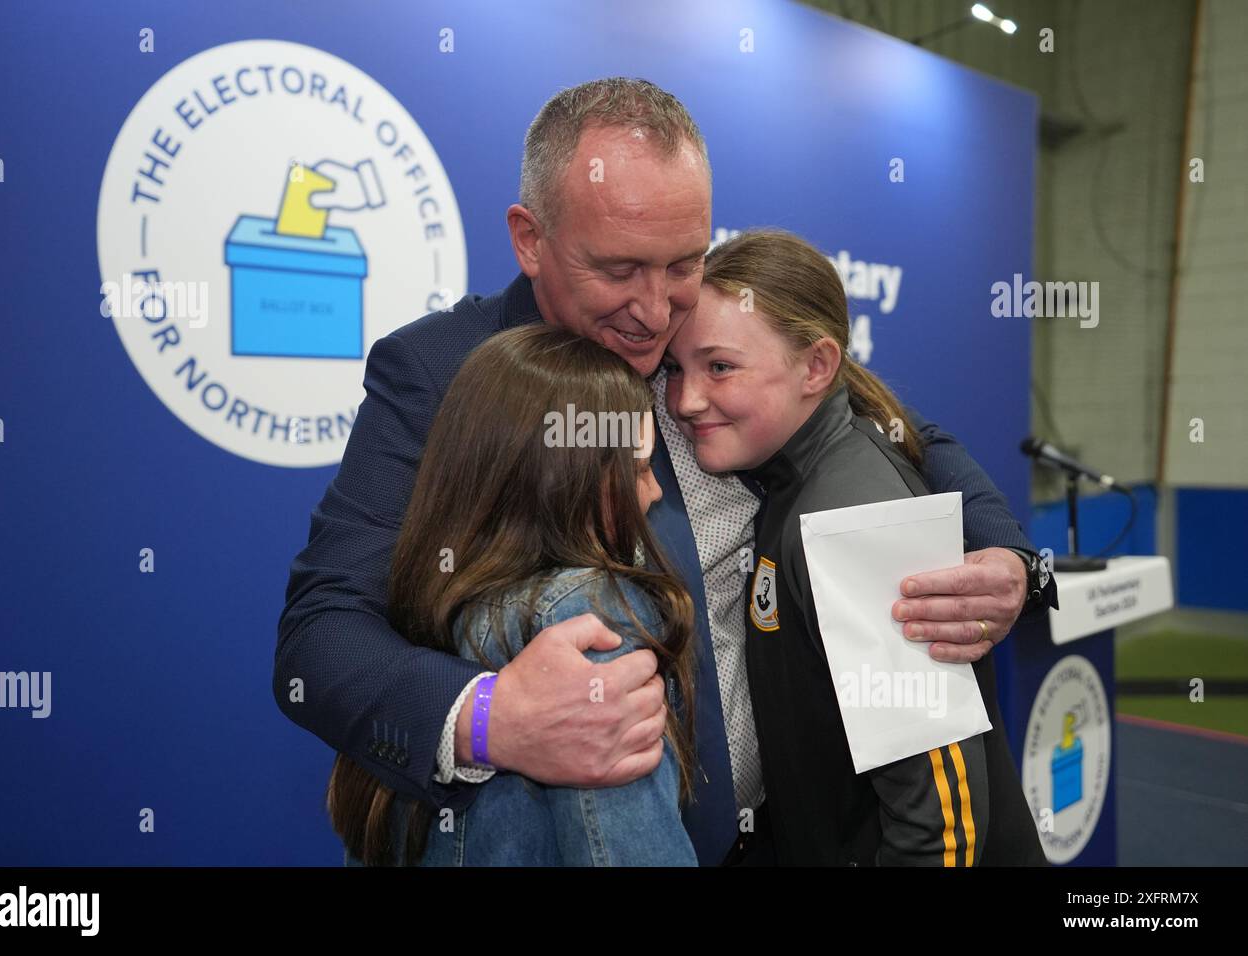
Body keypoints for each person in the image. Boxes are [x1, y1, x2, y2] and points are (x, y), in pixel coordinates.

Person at [275, 77, 1057, 867]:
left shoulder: (713, 332)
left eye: (683, 262)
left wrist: (1012, 561)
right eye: (618, 270)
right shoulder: (443, 372)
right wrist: (492, 720)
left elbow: (892, 424)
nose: (655, 311)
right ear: (530, 238)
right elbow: (320, 636)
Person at [663, 228, 1045, 865]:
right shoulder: (789, 478)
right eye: (677, 367)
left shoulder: (860, 520)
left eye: (720, 366)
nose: (686, 398)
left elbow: (941, 827)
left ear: (817, 367)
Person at [330, 324, 698, 865]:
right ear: (573, 480)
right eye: (637, 470)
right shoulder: (588, 617)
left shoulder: (411, 622)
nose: (655, 492)